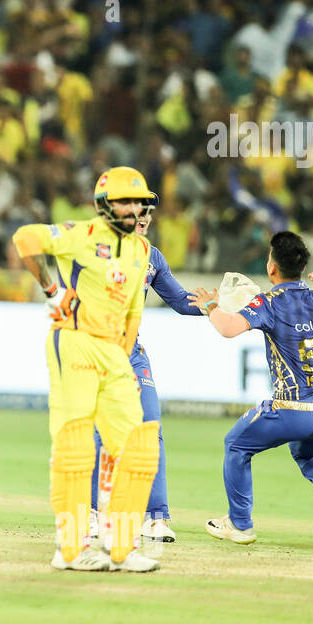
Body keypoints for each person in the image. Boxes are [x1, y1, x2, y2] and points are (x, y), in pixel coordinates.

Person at [11, 166, 162, 573]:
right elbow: (25, 238)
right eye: (125, 202)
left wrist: (125, 360)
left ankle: (122, 548)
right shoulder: (80, 233)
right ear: (104, 204)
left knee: (138, 447)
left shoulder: (142, 251)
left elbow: (133, 314)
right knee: (76, 445)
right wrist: (51, 289)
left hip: (115, 355)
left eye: (139, 202)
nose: (134, 210)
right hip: (74, 341)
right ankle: (71, 549)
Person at [190, 232, 313, 552]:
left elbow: (228, 329)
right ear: (302, 267)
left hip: (293, 408)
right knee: (307, 453)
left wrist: (211, 306)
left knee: (235, 444)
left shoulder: (268, 302)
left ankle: (240, 524)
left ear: (272, 267)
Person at [90, 201, 203, 546]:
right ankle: (94, 515)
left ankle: (156, 518)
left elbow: (181, 301)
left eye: (147, 214)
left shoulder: (152, 256)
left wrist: (217, 306)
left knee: (150, 427)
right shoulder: (99, 251)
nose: (143, 219)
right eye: (135, 212)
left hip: (132, 354)